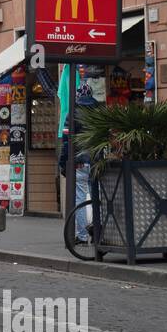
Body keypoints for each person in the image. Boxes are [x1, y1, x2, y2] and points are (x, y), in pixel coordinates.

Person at [59, 83, 98, 245]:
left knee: (80, 200)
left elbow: (67, 142)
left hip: (79, 163)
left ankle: (82, 236)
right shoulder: (98, 112)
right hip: (96, 162)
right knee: (98, 198)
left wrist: (63, 162)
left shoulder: (73, 114)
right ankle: (99, 232)